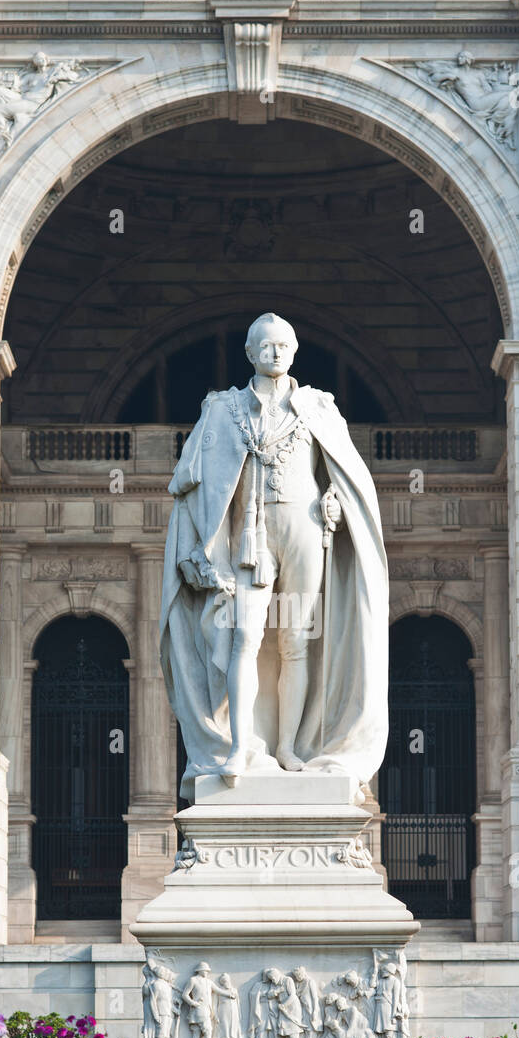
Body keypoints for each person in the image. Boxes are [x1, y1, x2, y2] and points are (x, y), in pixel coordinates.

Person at [160, 312, 389, 799]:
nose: (275, 353)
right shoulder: (222, 410)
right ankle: (242, 745)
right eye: (266, 346)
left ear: (294, 351)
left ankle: (288, 747)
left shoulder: (318, 408)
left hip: (305, 529)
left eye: (283, 345)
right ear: (249, 353)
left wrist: (335, 499)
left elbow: (346, 475)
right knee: (243, 636)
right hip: (249, 541)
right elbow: (188, 480)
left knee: (295, 643)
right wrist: (198, 547)